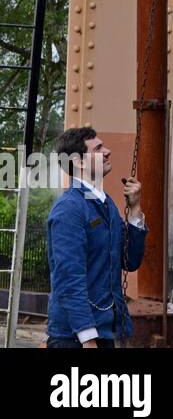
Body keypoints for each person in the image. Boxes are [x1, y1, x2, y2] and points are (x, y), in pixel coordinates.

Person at [45, 126, 147, 348]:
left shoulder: (107, 204)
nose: (108, 151)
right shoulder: (69, 210)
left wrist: (135, 209)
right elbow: (69, 279)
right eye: (98, 148)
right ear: (79, 162)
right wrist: (88, 337)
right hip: (75, 339)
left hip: (104, 333)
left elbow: (129, 260)